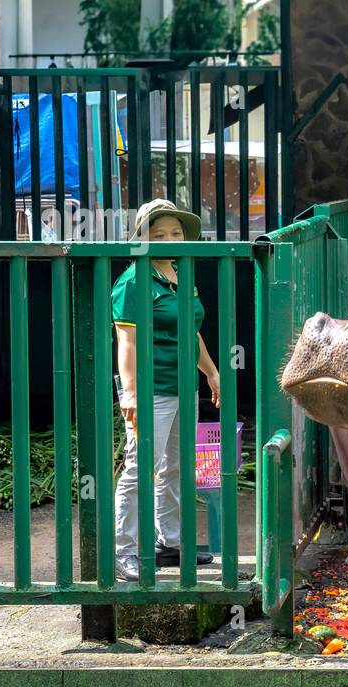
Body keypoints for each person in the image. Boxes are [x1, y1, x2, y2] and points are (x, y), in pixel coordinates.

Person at [111, 199, 219, 581]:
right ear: (143, 238)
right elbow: (126, 342)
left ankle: (168, 544)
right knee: (141, 468)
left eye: (175, 233)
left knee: (174, 467)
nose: (169, 239)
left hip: (183, 386)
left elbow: (191, 330)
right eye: (159, 235)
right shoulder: (133, 282)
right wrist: (130, 393)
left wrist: (211, 371)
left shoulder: (180, 273)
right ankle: (122, 552)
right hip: (151, 389)